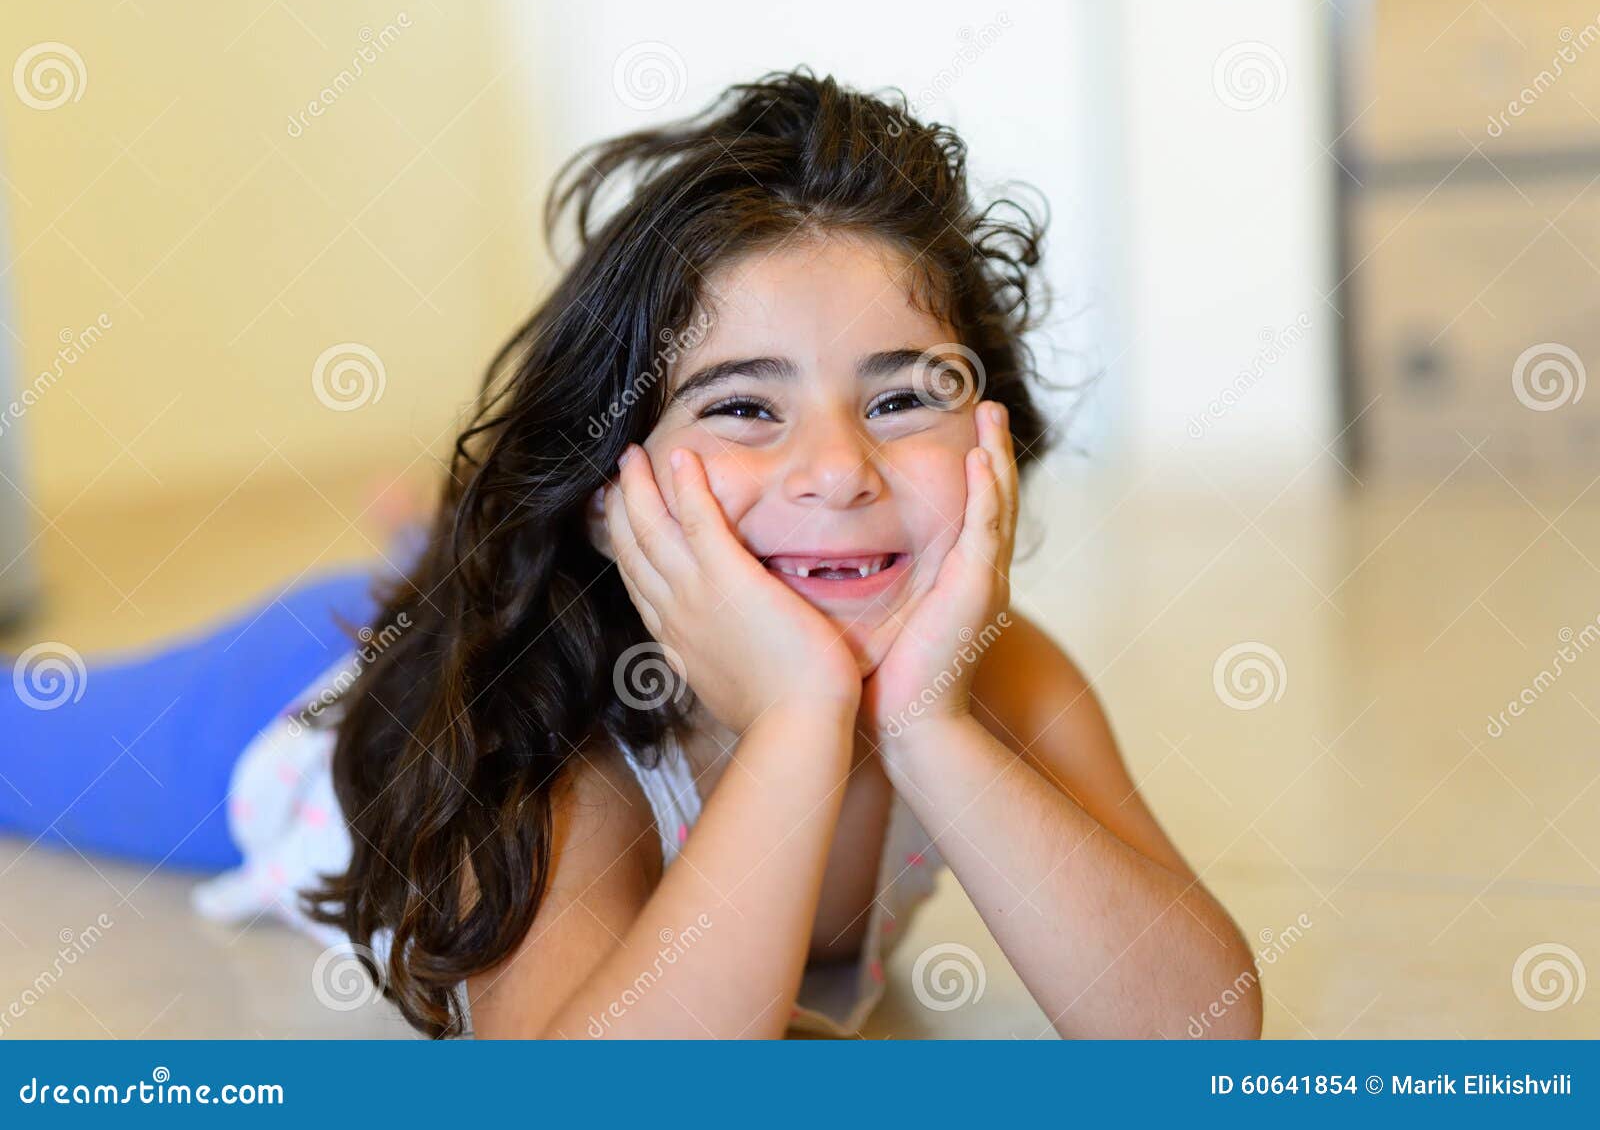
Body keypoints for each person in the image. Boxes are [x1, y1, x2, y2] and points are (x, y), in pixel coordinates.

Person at [0, 68, 1261, 1040]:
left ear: (993, 436)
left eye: (900, 398)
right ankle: (438, 552)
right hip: (307, 699)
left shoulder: (997, 677)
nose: (838, 470)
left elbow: (1197, 1035)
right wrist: (796, 725)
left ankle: (441, 537)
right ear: (618, 484)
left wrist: (922, 721)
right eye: (742, 406)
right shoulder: (567, 738)